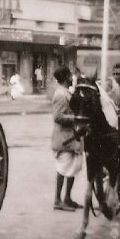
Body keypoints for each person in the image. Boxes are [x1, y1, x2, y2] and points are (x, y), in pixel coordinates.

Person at [50, 66, 83, 211]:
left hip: (71, 138)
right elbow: (58, 117)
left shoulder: (66, 92)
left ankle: (67, 198)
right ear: (65, 78)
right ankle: (57, 200)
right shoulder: (61, 95)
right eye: (70, 75)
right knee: (63, 169)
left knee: (72, 168)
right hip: (64, 138)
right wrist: (76, 118)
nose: (72, 78)